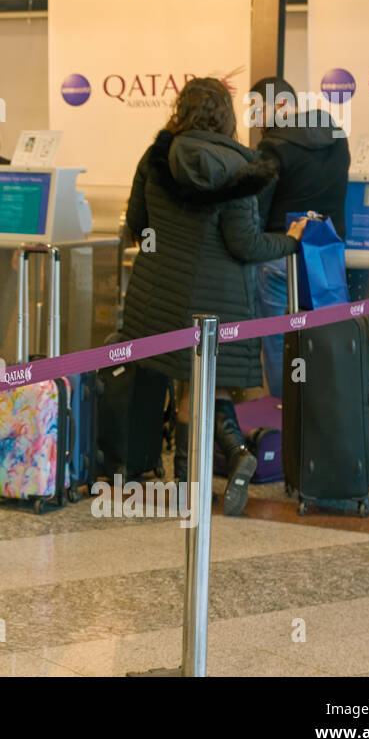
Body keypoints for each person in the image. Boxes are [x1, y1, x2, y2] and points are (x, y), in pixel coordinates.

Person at [121, 78, 306, 516]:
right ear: (227, 116)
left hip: (158, 295)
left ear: (180, 110)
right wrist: (290, 241)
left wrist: (160, 252)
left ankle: (191, 483)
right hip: (220, 302)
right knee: (208, 385)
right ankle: (229, 455)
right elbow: (246, 246)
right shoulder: (241, 169)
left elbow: (137, 225)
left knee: (188, 386)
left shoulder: (157, 156)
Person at [251, 76, 350, 397]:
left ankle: (286, 414)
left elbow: (258, 209)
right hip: (327, 252)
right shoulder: (337, 136)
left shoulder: (272, 146)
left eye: (257, 109)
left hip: (281, 254)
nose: (254, 120)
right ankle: (324, 414)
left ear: (280, 105)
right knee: (325, 339)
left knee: (281, 341)